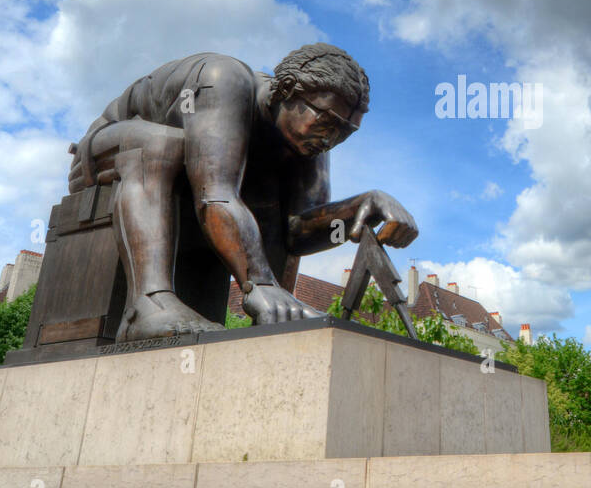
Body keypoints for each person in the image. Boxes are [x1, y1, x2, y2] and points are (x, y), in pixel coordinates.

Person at [67, 44, 418, 341]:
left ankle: (268, 323)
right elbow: (214, 195)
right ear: (288, 89)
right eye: (326, 121)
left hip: (192, 180)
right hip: (101, 155)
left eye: (345, 132)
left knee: (262, 193)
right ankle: (146, 305)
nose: (331, 139)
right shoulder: (225, 80)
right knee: (164, 145)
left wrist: (363, 205)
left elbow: (296, 232)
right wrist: (259, 284)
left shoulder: (310, 141)